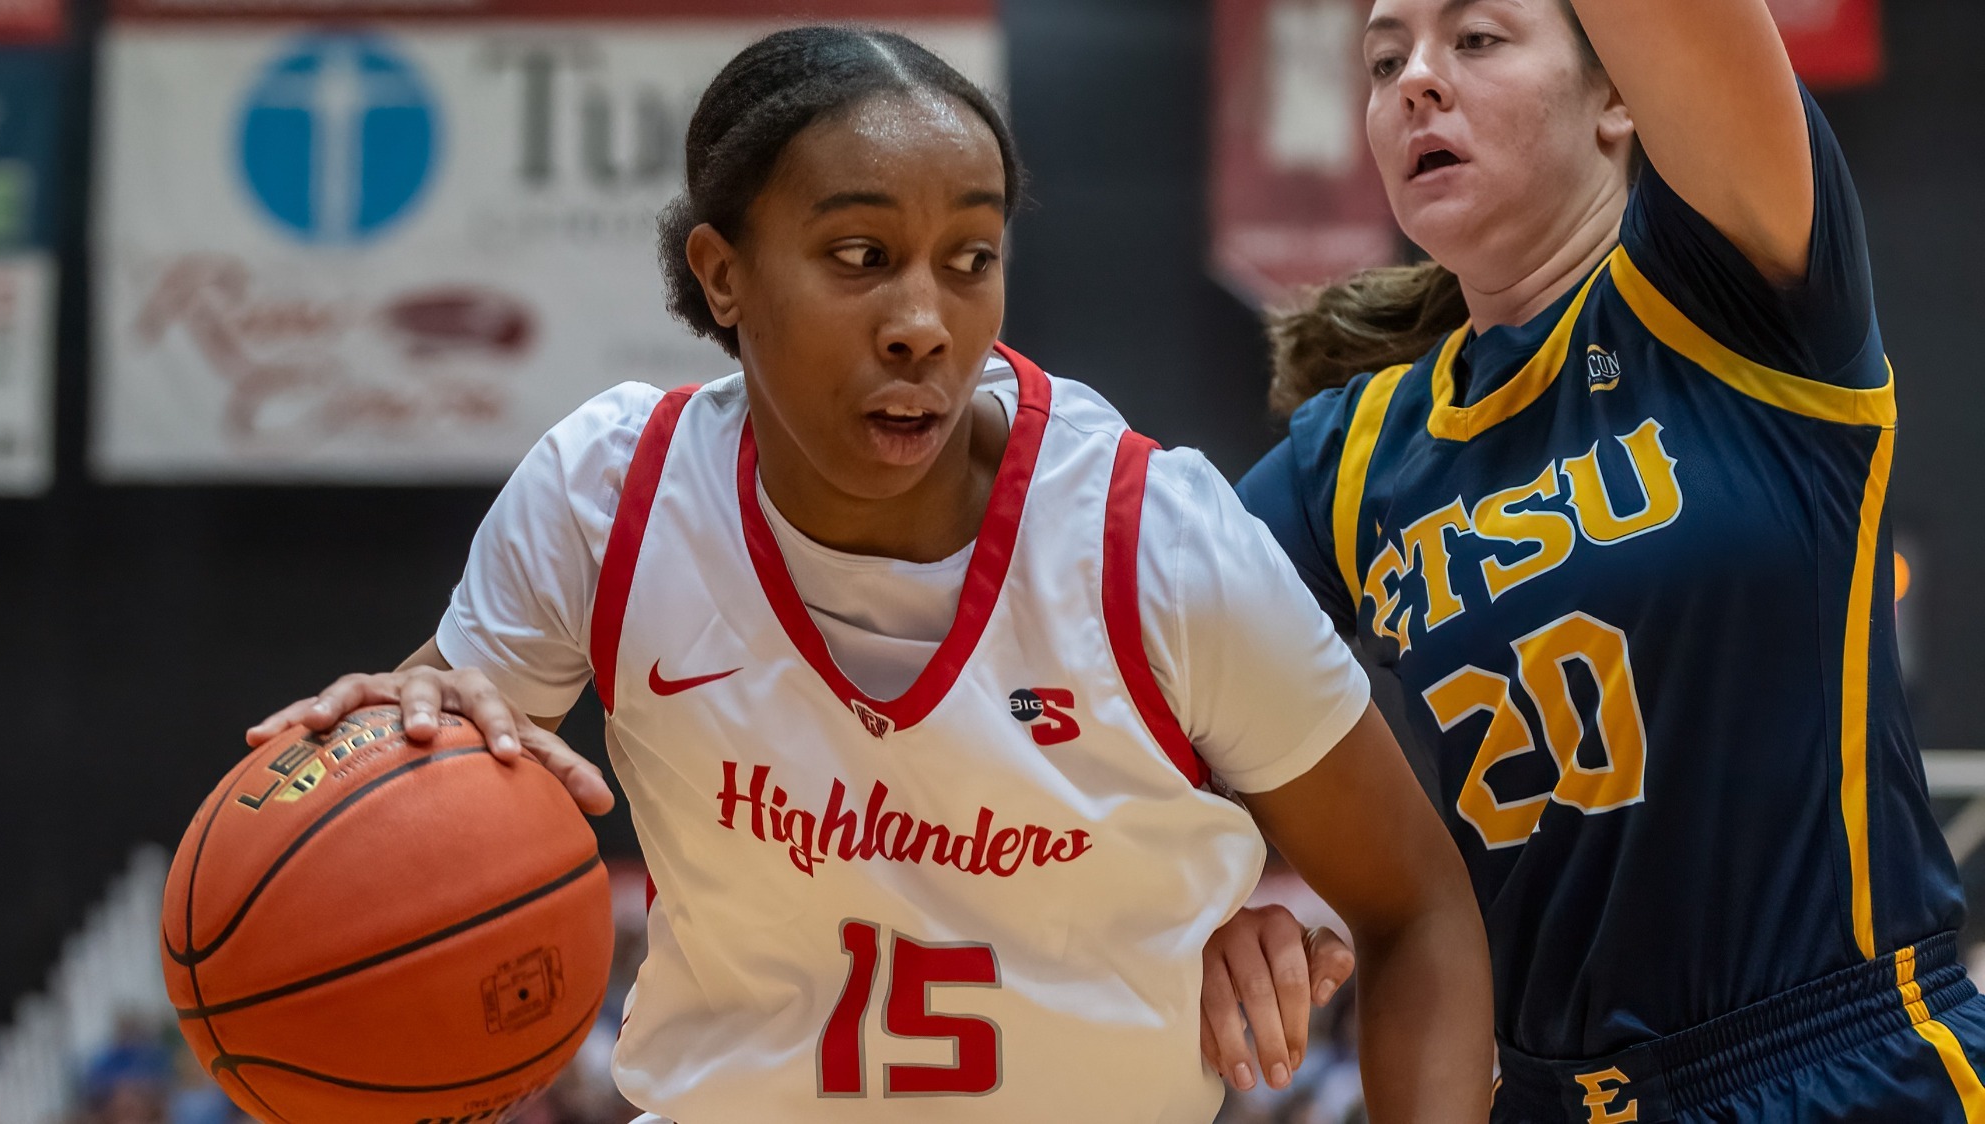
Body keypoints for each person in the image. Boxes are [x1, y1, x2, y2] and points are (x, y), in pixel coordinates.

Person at [246, 26, 1492, 1123]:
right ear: (723, 273)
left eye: (969, 258)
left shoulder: (1152, 539)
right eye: (857, 255)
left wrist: (1206, 916)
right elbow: (434, 785)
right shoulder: (607, 494)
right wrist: (408, 728)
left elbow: (1417, 906)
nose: (922, 320)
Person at [1220, 0, 1985, 1120]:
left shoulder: (1727, 293)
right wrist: (1197, 901)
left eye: (1474, 40)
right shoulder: (1346, 462)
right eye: (1385, 61)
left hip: (1841, 1067)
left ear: (1618, 95)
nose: (1416, 82)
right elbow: (1121, 675)